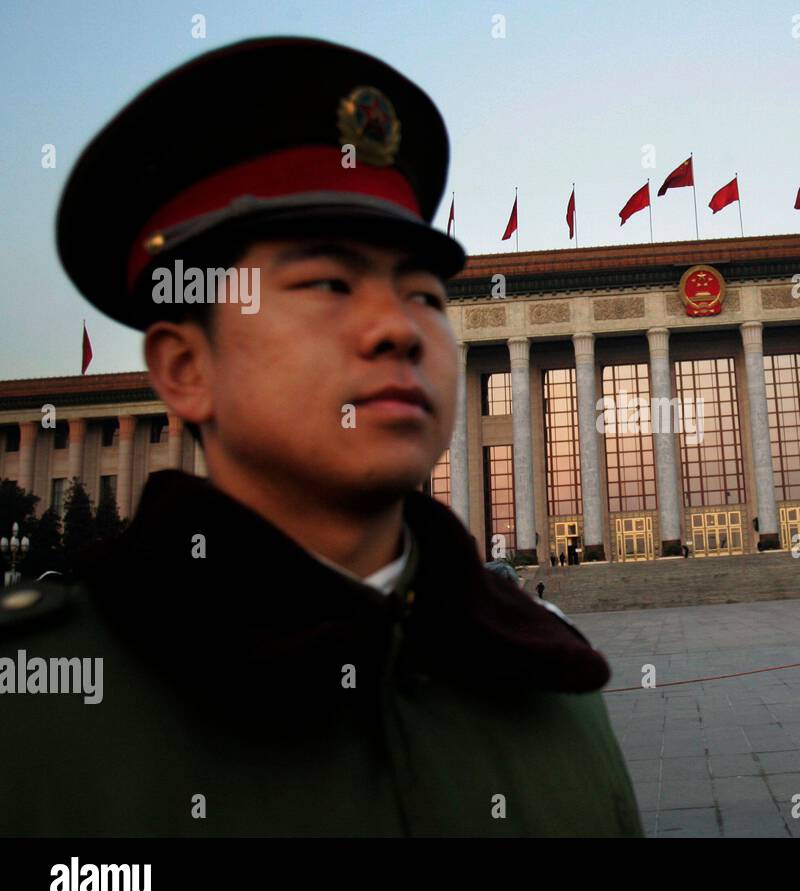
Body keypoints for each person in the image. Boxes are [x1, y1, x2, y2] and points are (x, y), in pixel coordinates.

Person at [0, 37, 639, 837]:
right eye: (329, 284)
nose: (396, 330)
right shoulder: (35, 711)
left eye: (424, 296)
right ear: (185, 366)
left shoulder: (553, 694)